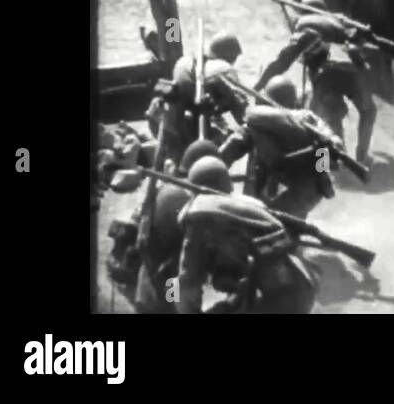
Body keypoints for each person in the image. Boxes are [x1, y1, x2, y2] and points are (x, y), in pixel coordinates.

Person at [174, 156, 320, 314]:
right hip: (302, 284)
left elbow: (186, 282)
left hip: (277, 298)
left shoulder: (199, 215)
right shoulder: (248, 206)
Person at [253, 0, 376, 166]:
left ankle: (324, 166)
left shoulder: (305, 25)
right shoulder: (339, 22)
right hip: (353, 72)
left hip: (326, 76)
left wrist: (259, 84)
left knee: (322, 122)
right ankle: (362, 156)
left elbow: (282, 61)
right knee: (368, 111)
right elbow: (361, 45)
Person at [108, 139, 223, 313]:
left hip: (148, 280)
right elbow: (185, 259)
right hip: (166, 281)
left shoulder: (167, 187)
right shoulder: (187, 203)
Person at [220, 75, 343, 219]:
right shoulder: (309, 121)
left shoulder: (256, 123)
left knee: (268, 219)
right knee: (288, 218)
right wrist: (325, 163)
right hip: (305, 185)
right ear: (294, 102)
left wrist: (213, 172)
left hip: (283, 178)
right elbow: (333, 147)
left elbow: (229, 150)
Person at [146, 32, 243, 166]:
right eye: (234, 58)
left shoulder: (183, 61)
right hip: (189, 131)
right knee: (231, 135)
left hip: (161, 122)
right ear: (230, 56)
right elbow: (241, 113)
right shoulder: (222, 70)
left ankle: (176, 161)